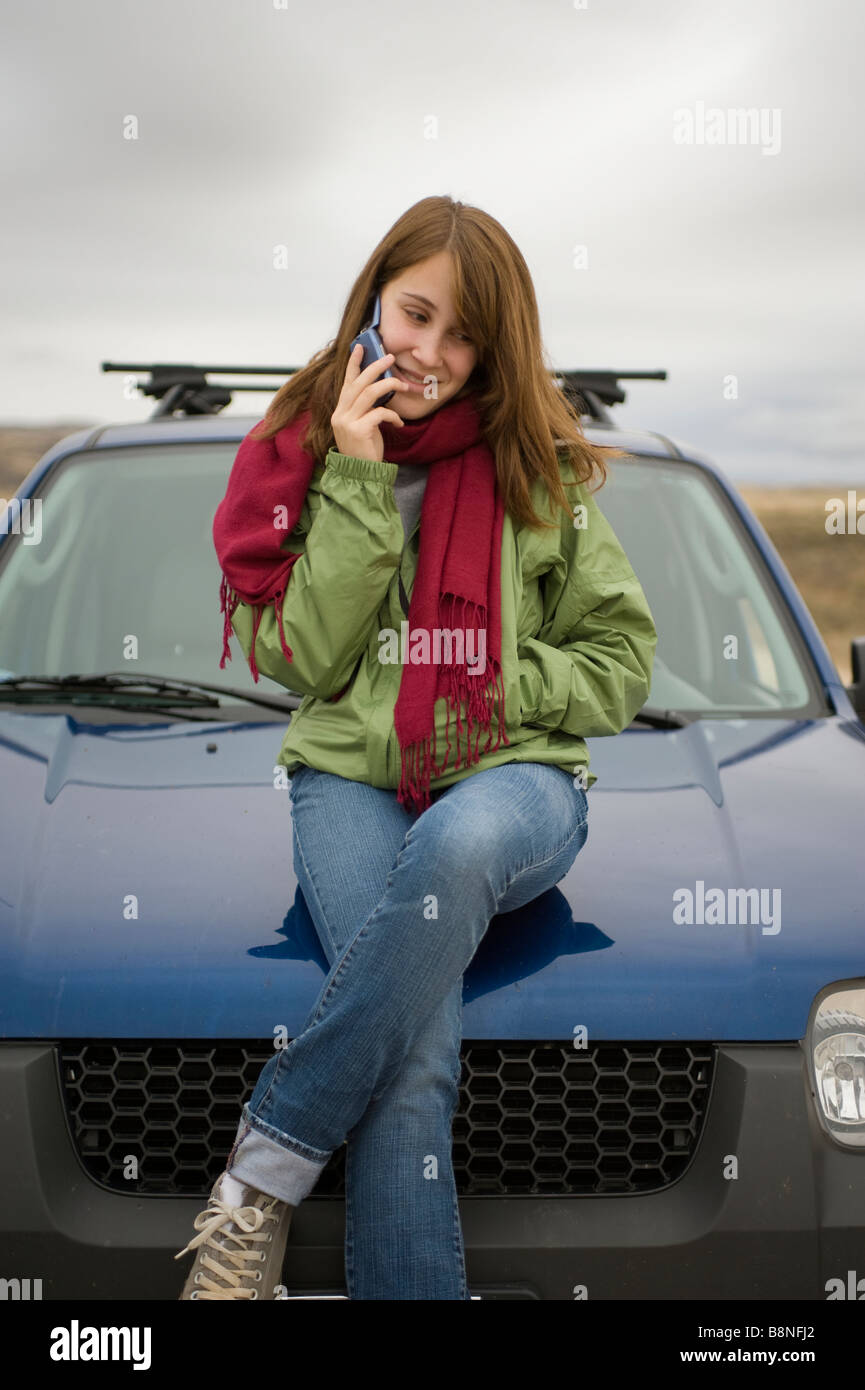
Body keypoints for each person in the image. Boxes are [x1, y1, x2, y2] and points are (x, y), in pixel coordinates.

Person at [175, 195, 658, 1300]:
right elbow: (299, 653)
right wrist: (352, 471)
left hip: (514, 778)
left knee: (452, 849)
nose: (431, 354)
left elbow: (620, 661)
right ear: (372, 300)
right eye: (415, 314)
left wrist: (502, 684)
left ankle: (258, 1179)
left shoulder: (539, 465)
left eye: (464, 334)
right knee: (412, 1056)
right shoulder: (297, 446)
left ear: (498, 345)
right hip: (347, 775)